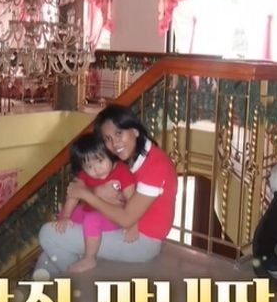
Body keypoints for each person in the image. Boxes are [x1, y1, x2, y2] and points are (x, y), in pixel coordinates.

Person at [35, 104, 178, 277]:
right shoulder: (128, 156)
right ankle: (42, 288)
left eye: (119, 133)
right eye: (108, 139)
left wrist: (87, 194)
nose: (115, 144)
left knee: (49, 235)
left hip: (141, 240)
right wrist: (93, 192)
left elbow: (126, 218)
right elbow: (104, 189)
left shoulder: (156, 165)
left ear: (135, 130)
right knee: (48, 254)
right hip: (117, 225)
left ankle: (79, 281)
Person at [57, 133, 138, 272]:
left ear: (109, 154)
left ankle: (89, 258)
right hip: (90, 209)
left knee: (91, 219)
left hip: (113, 216)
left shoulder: (122, 171)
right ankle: (73, 247)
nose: (96, 170)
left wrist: (132, 225)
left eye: (100, 161)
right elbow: (74, 194)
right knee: (65, 215)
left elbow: (132, 200)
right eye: (89, 166)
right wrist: (65, 216)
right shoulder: (84, 175)